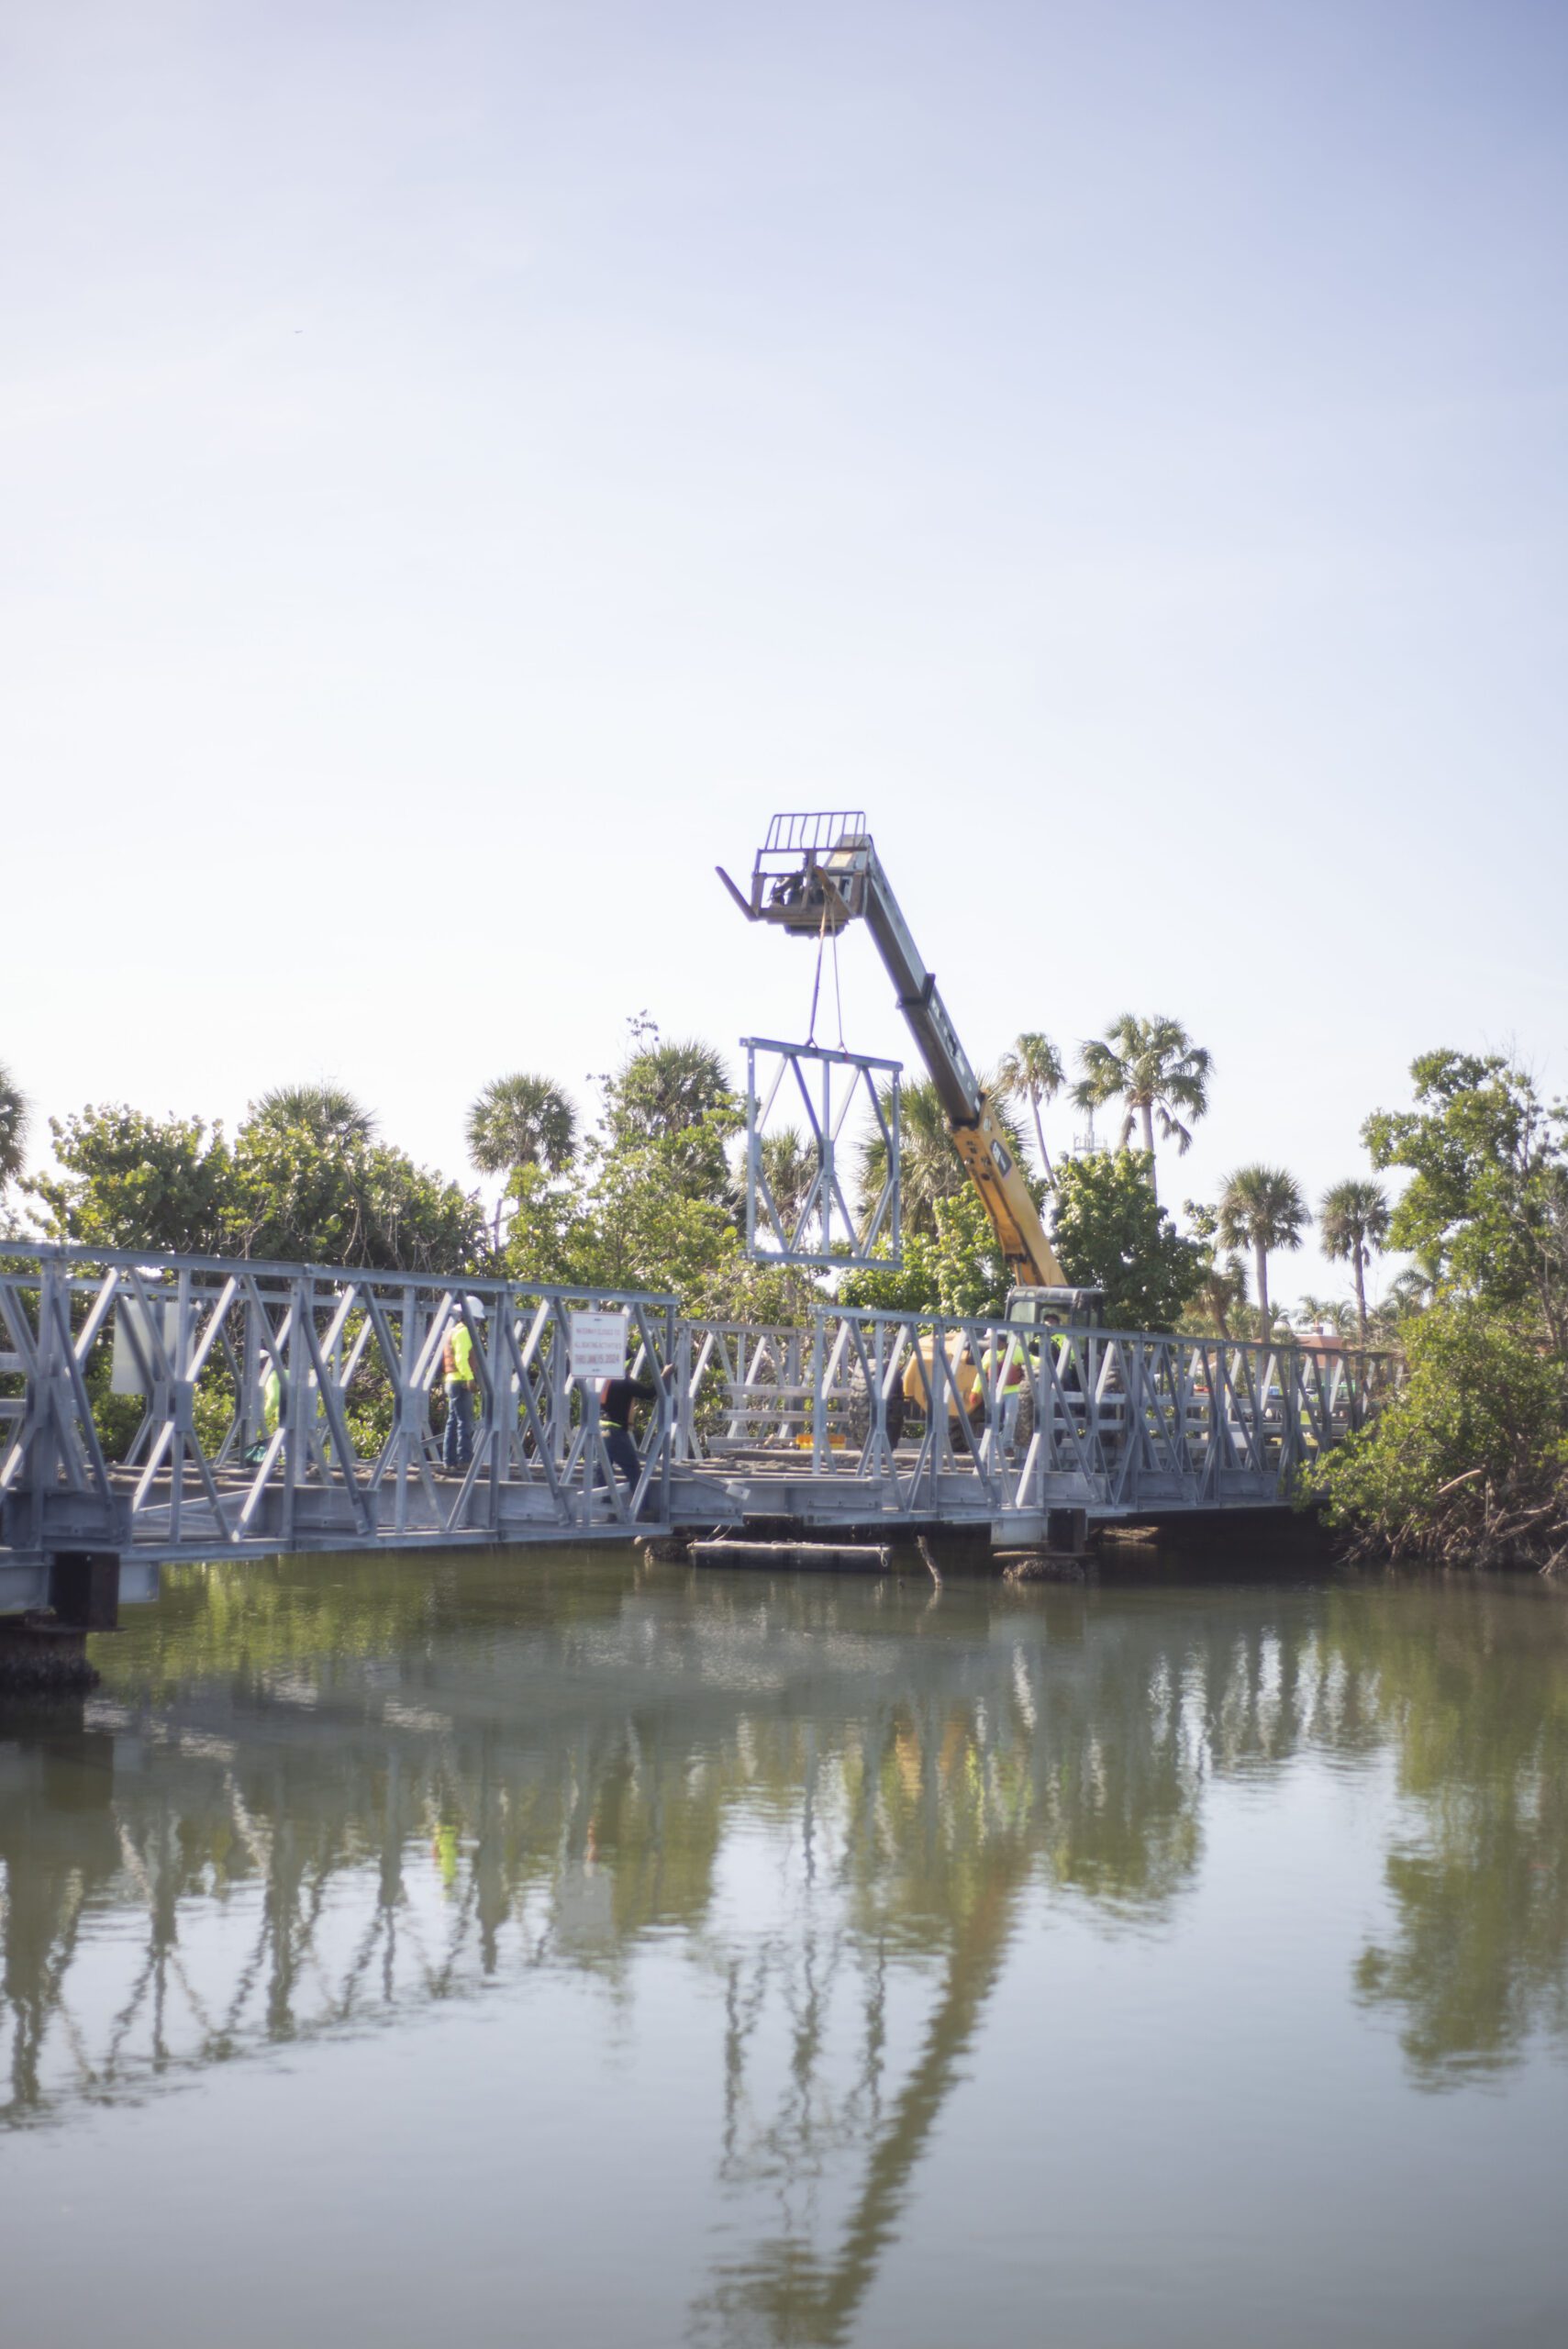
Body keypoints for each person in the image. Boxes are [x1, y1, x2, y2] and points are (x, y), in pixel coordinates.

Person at [597, 1361, 675, 1506]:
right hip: (616, 1433)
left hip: (601, 1431)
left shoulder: (604, 1382)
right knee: (633, 1471)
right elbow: (649, 1393)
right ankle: (643, 1509)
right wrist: (664, 1374)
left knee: (603, 1471)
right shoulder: (624, 1382)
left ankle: (608, 1507)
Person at [442, 1297, 486, 1471]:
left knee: (453, 1422)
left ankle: (449, 1460)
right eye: (476, 1319)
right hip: (460, 1381)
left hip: (451, 1380)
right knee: (464, 1422)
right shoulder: (465, 1333)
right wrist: (469, 1378)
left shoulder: (453, 1331)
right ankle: (465, 1459)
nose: (476, 1323)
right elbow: (461, 1359)